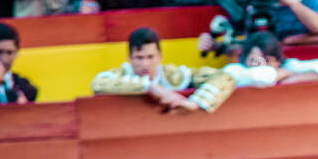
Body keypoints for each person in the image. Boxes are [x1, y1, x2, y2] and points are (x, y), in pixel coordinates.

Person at [91, 25, 236, 112]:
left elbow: (224, 77)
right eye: (140, 58)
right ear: (130, 58)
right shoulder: (121, 74)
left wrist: (194, 103)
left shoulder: (173, 75)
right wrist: (151, 87)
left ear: (160, 57)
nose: (145, 64)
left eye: (150, 57)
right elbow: (98, 83)